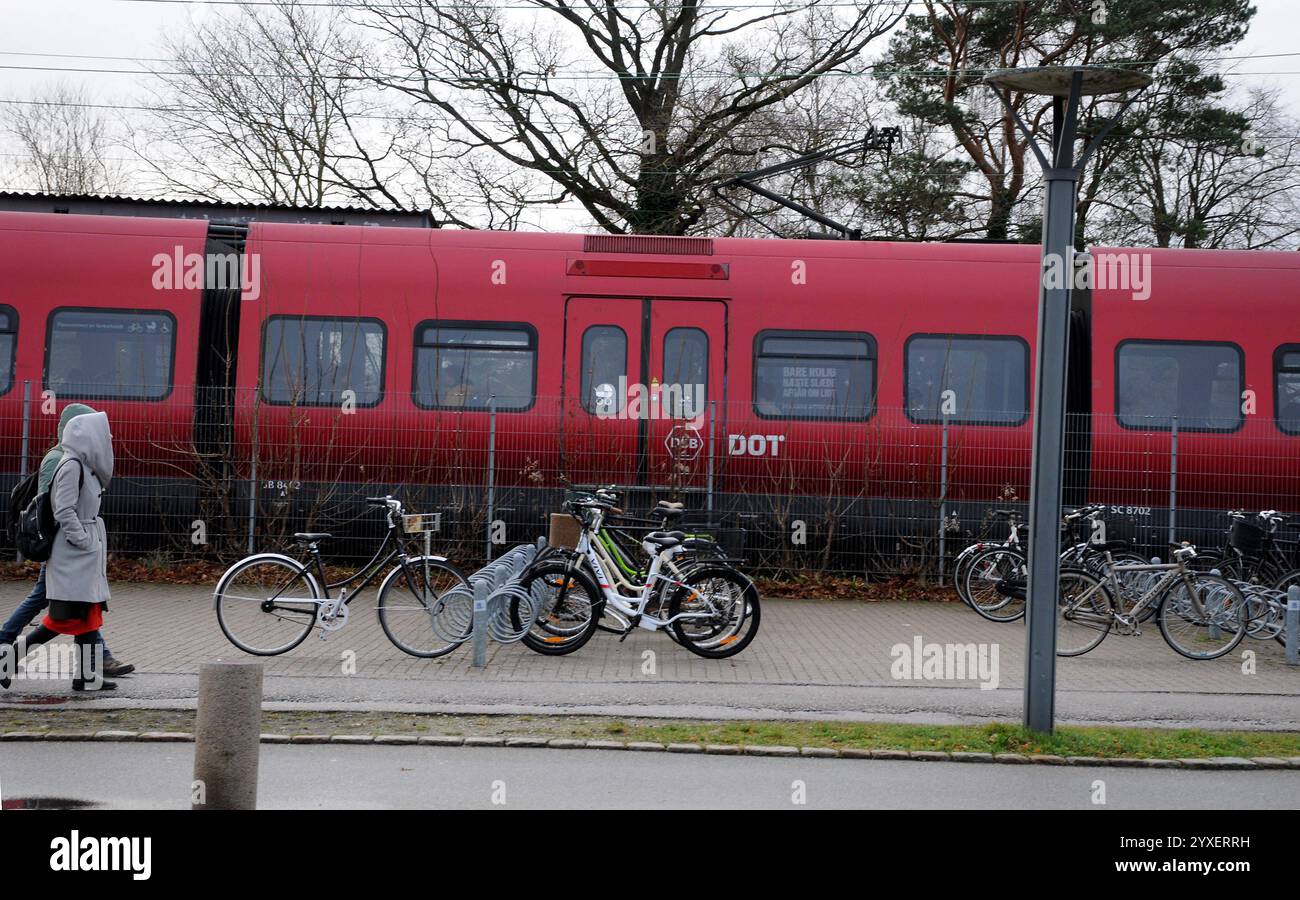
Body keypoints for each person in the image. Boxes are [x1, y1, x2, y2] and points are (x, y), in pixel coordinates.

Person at [1, 410, 124, 691]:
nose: (109, 438)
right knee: (62, 619)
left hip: (83, 553)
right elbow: (64, 510)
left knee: (87, 615)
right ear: (88, 437)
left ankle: (86, 676)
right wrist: (82, 539)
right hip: (72, 554)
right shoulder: (72, 466)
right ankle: (4, 663)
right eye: (104, 434)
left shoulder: (86, 465)